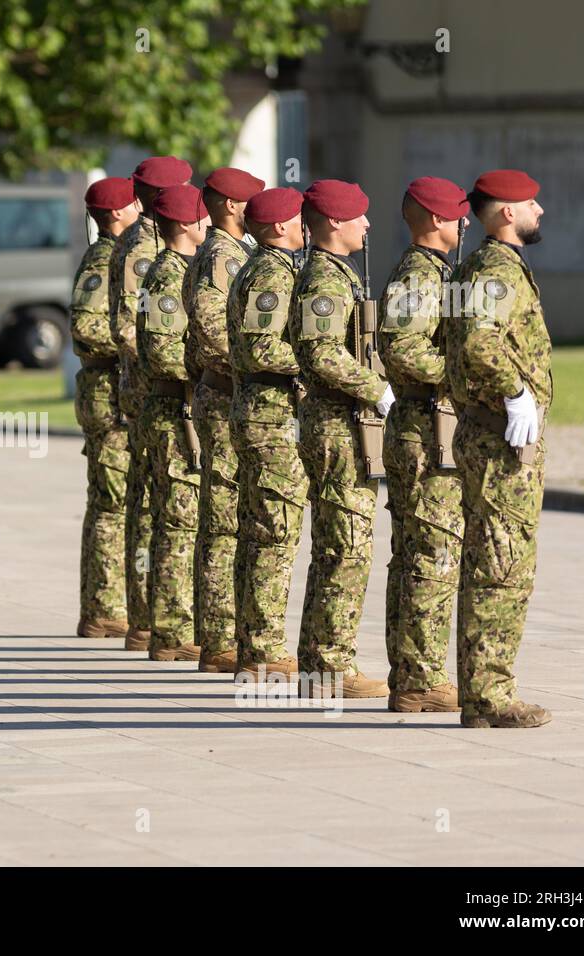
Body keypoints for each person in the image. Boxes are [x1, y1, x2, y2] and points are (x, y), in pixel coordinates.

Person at [444, 169, 552, 729]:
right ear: (506, 211)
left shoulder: (481, 266)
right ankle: (488, 697)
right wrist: (515, 394)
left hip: (490, 432)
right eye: (532, 204)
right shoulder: (493, 270)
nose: (541, 212)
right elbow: (480, 343)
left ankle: (483, 693)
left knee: (494, 558)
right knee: (501, 564)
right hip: (498, 437)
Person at [290, 180, 392, 698]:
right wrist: (379, 389)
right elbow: (319, 352)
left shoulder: (332, 274)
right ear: (333, 223)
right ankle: (330, 666)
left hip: (337, 423)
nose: (368, 225)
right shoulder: (325, 281)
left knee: (339, 543)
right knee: (345, 544)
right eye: (359, 216)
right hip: (336, 427)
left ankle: (320, 663)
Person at [380, 176, 470, 713]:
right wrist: (459, 372)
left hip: (426, 421)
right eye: (458, 214)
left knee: (417, 551)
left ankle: (412, 674)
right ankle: (421, 678)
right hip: (424, 424)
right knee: (432, 551)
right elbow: (404, 350)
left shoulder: (436, 273)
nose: (465, 223)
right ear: (436, 220)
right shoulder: (420, 275)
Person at [108, 156, 192, 653]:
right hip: (153, 390)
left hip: (150, 387)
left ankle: (147, 617)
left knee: (153, 505)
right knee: (163, 507)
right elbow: (130, 327)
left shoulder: (143, 241)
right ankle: (157, 619)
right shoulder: (146, 247)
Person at [226, 187, 308, 680]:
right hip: (269, 413)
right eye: (299, 218)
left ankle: (253, 646)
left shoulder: (260, 267)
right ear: (280, 226)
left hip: (262, 411)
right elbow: (261, 347)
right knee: (274, 533)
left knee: (260, 530)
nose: (305, 225)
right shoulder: (272, 272)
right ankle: (264, 651)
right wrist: (314, 360)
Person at [184, 167, 264, 673]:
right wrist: (254, 369)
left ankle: (224, 634)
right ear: (233, 206)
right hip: (224, 394)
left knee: (231, 516)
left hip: (228, 392)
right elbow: (213, 333)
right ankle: (220, 638)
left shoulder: (235, 254)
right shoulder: (220, 257)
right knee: (225, 519)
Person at [135, 183, 209, 660]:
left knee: (178, 519)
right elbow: (162, 352)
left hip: (176, 408)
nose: (209, 224)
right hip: (170, 411)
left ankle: (174, 627)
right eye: (201, 217)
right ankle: (171, 631)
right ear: (184, 225)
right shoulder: (166, 276)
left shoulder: (178, 270)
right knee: (178, 523)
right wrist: (204, 368)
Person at [72, 176, 140, 640]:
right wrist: (133, 343)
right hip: (107, 394)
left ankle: (113, 603)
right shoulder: (103, 259)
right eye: (135, 203)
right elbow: (84, 327)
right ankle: (103, 606)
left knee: (119, 500)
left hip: (117, 393)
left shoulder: (123, 256)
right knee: (112, 503)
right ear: (116, 214)